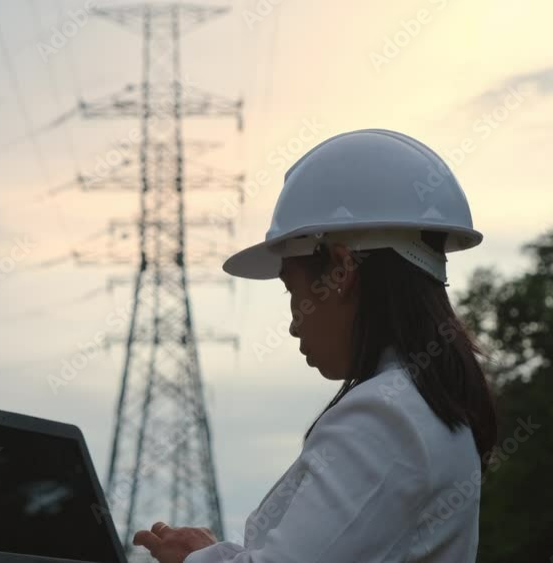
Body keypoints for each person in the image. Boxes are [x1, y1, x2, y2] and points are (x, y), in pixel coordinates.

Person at [131, 129, 498, 563]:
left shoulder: (386, 416)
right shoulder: (428, 404)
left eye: (292, 289)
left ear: (341, 268)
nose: (291, 325)